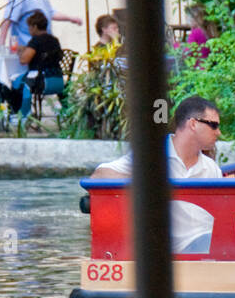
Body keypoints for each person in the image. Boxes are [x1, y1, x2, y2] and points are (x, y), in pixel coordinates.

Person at [90, 95, 223, 252]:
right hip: (172, 252)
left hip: (208, 246)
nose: (218, 133)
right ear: (193, 124)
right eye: (213, 125)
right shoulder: (152, 156)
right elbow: (99, 176)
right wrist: (149, 183)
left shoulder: (211, 168)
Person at [9, 10, 64, 119]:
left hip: (41, 81)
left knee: (13, 82)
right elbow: (41, 52)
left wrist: (21, 53)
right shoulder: (54, 40)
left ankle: (21, 114)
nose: (29, 30)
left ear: (34, 27)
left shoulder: (36, 41)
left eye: (29, 27)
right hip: (58, 80)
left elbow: (24, 60)